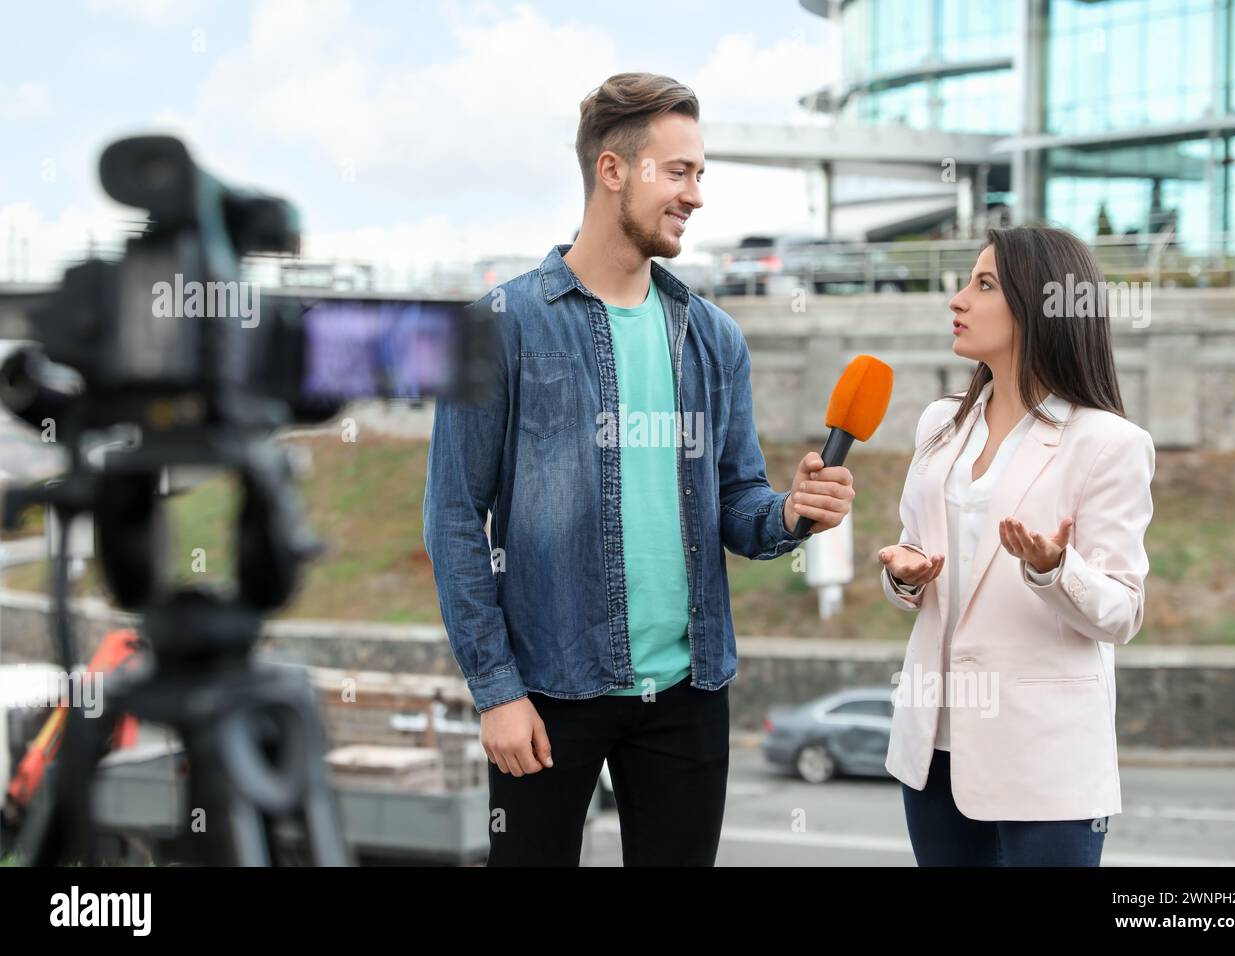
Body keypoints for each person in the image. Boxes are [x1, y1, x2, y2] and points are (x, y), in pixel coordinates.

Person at [424, 72, 854, 866]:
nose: (696, 194)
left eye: (700, 174)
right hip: (546, 694)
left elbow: (738, 501)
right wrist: (498, 692)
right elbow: (453, 518)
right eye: (679, 171)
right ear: (612, 171)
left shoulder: (713, 337)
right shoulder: (499, 328)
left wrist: (790, 514)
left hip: (689, 696)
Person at [878, 224, 1156, 866]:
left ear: (1042, 307)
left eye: (983, 285)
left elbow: (1123, 614)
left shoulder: (1110, 443)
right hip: (934, 752)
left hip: (1046, 765)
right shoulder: (939, 426)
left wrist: (1055, 569)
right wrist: (906, 575)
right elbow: (914, 573)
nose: (957, 300)